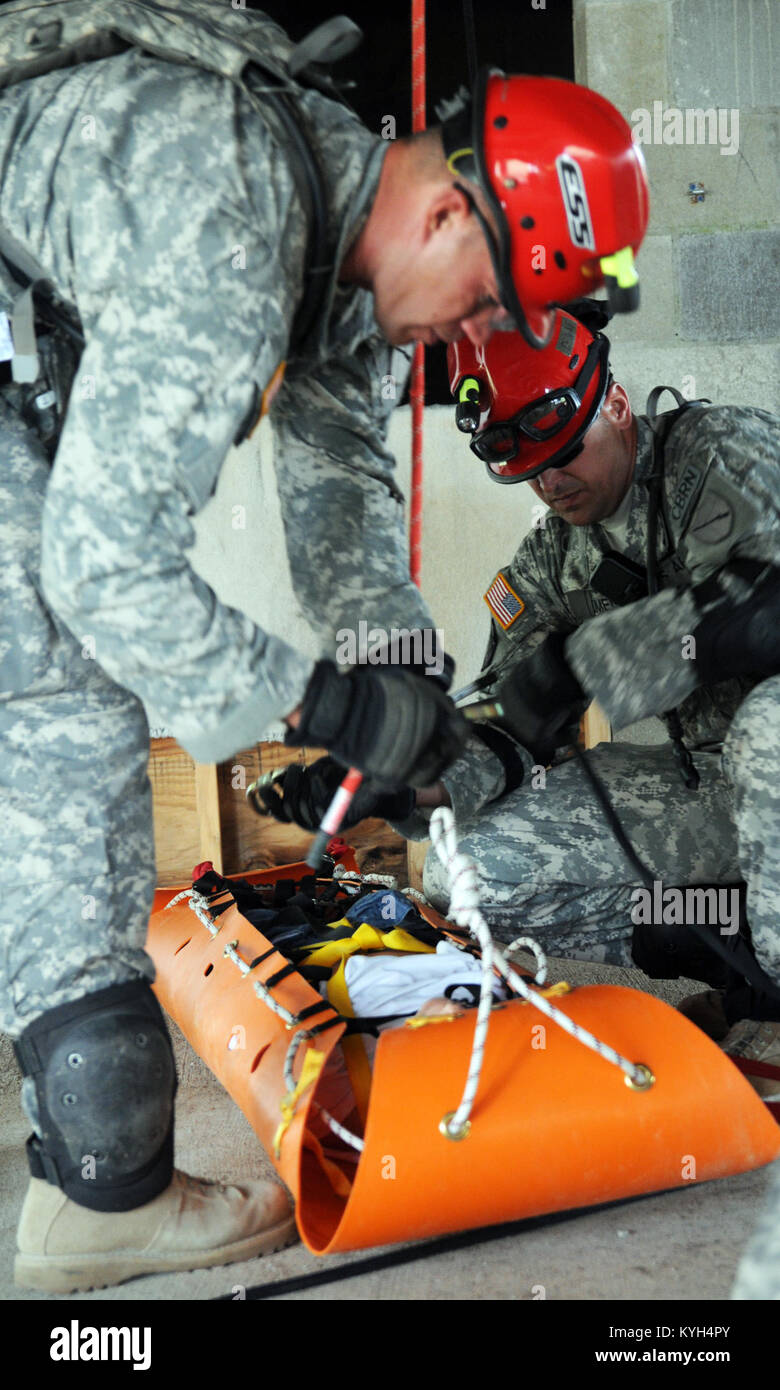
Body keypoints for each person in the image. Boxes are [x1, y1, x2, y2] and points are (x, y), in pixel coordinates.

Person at [0, 1, 649, 1292]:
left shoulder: (336, 221)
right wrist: (314, 704)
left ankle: (88, 1171)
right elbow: (101, 558)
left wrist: (398, 686)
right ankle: (105, 1193)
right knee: (72, 709)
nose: (472, 347)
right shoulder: (233, 213)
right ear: (452, 217)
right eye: (484, 307)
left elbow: (342, 488)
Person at [268, 300, 780, 1295]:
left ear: (617, 402)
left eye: (564, 451)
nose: (553, 480)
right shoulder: (548, 560)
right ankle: (727, 937)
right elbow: (502, 727)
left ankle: (762, 973)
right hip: (713, 797)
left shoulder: (721, 448)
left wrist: (587, 662)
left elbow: (768, 609)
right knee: (473, 861)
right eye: (528, 467)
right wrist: (393, 778)